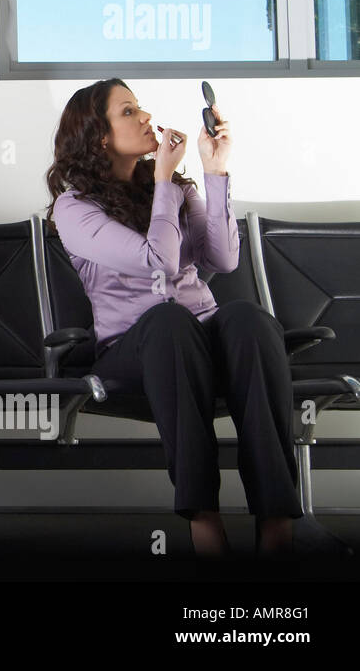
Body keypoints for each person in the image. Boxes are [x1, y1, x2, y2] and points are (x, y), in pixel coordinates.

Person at [46, 79, 300, 557]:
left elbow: (223, 261)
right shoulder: (74, 209)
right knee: (168, 321)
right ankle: (204, 519)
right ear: (99, 136)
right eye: (128, 111)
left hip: (201, 337)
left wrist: (214, 171)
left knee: (248, 317)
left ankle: (276, 519)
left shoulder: (175, 189)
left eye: (141, 107)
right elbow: (158, 261)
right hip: (135, 353)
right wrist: (163, 181)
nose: (145, 117)